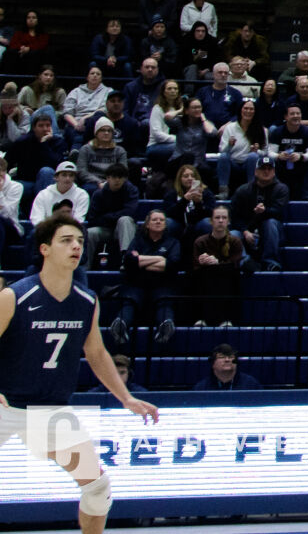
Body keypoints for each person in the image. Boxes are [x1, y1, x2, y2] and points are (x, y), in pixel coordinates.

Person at [0, 214, 159, 532]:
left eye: (80, 241)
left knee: (98, 488)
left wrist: (126, 398)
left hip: (50, 411)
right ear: (45, 249)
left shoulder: (86, 301)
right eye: (66, 240)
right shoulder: (14, 296)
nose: (76, 246)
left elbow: (96, 353)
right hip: (6, 406)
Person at [112, 207, 180, 347]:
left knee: (164, 301)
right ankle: (120, 326)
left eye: (161, 220)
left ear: (165, 224)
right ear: (147, 224)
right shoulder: (138, 240)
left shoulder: (173, 242)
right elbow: (129, 262)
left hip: (162, 284)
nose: (158, 222)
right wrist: (160, 259)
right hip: (136, 283)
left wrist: (141, 261)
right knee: (130, 300)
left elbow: (172, 265)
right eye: (154, 220)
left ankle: (165, 328)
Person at [190, 204, 244, 325]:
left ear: (228, 221)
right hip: (204, 279)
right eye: (217, 217)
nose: (220, 220)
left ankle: (226, 319)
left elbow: (235, 263)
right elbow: (194, 265)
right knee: (198, 277)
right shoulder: (200, 241)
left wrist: (217, 263)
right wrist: (201, 261)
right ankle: (201, 318)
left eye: (224, 218)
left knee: (228, 278)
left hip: (228, 279)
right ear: (211, 221)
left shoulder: (235, 241)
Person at [191, 344, 263, 391]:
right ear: (213, 364)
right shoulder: (201, 388)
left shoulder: (251, 385)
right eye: (221, 357)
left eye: (231, 357)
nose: (227, 360)